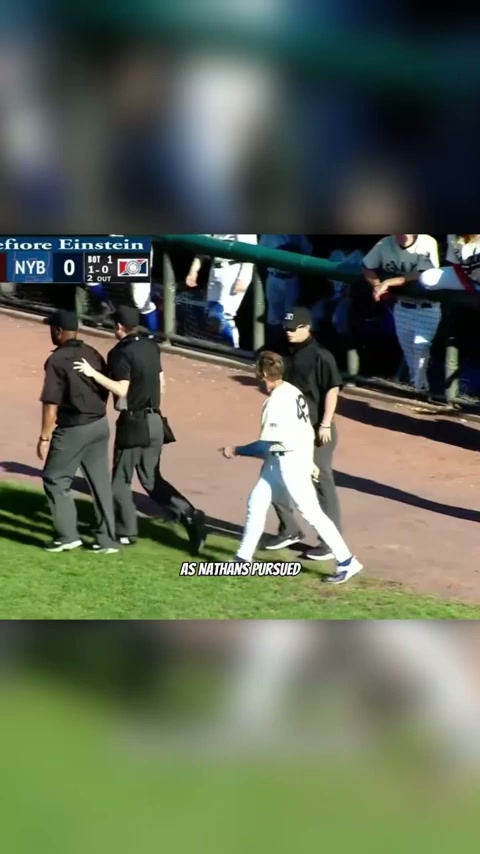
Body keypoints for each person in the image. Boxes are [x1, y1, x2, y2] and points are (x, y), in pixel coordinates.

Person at [73, 306, 207, 555]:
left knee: (119, 481)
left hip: (134, 424)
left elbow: (122, 389)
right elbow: (162, 383)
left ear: (120, 327)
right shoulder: (151, 346)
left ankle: (125, 532)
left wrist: (92, 374)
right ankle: (190, 515)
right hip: (156, 420)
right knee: (151, 479)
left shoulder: (119, 353)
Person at [221, 350, 362, 585]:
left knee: (312, 513)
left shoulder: (276, 401)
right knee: (256, 502)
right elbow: (306, 430)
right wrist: (310, 461)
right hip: (282, 461)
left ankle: (347, 561)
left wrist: (235, 450)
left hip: (289, 462)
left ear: (264, 373)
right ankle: (243, 559)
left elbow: (264, 445)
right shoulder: (292, 391)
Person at [265, 306, 344, 563]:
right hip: (288, 428)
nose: (288, 333)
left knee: (321, 482)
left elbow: (332, 390)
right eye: (285, 328)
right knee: (274, 474)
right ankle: (289, 529)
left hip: (315, 429)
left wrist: (325, 424)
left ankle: (330, 541)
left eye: (293, 329)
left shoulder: (321, 356)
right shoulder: (281, 349)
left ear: (307, 328)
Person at [38, 309, 118, 554]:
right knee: (100, 483)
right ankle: (106, 540)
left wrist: (44, 436)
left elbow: (51, 403)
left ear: (59, 331)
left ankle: (67, 536)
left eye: (52, 328)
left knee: (54, 478)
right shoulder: (92, 353)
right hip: (99, 425)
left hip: (73, 428)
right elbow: (105, 386)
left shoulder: (56, 360)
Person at [363, 234, 441, 391]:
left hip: (427, 307)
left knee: (421, 348)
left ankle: (420, 390)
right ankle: (421, 390)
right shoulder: (385, 243)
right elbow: (367, 266)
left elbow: (424, 272)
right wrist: (377, 285)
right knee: (411, 355)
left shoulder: (427, 242)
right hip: (402, 306)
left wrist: (389, 282)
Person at [185, 234, 258, 348]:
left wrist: (244, 277)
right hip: (215, 268)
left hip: (233, 269)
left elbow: (250, 248)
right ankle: (224, 348)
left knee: (225, 316)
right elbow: (203, 243)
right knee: (212, 312)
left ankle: (235, 351)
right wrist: (194, 270)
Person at [259, 234, 312, 350]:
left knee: (290, 317)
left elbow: (308, 252)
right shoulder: (268, 234)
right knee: (273, 317)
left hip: (291, 279)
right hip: (273, 277)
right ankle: (275, 348)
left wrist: (294, 252)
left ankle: (289, 351)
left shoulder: (296, 235)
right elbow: (259, 253)